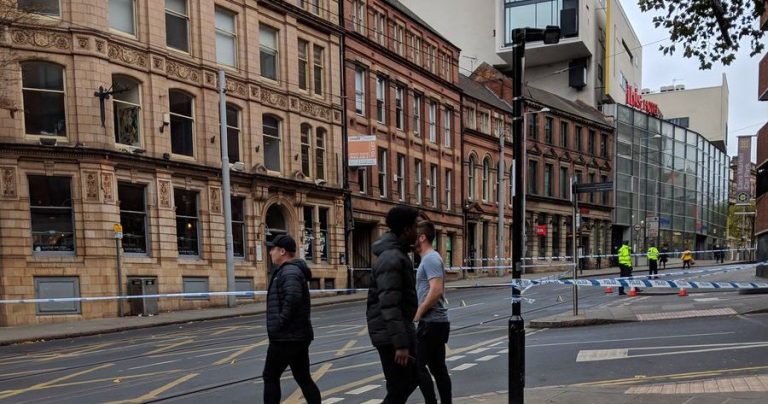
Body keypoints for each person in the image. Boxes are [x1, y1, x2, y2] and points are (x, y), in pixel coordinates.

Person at [367, 206, 420, 403]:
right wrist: (400, 344)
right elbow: (389, 304)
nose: (417, 231)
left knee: (402, 383)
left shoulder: (397, 254)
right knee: (404, 382)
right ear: (406, 230)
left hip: (392, 333)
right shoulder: (392, 258)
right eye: (415, 226)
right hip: (391, 336)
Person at [262, 234, 321, 404]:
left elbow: (293, 298)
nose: (270, 252)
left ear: (282, 251)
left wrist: (280, 323)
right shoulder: (289, 271)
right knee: (303, 377)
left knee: (270, 376)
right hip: (296, 335)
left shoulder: (289, 272)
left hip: (286, 337)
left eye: (272, 249)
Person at [413, 220, 452, 404]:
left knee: (418, 367)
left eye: (415, 235)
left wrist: (419, 312)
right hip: (436, 322)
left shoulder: (431, 258)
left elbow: (436, 290)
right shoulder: (429, 258)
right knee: (438, 368)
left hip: (432, 322)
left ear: (422, 237)